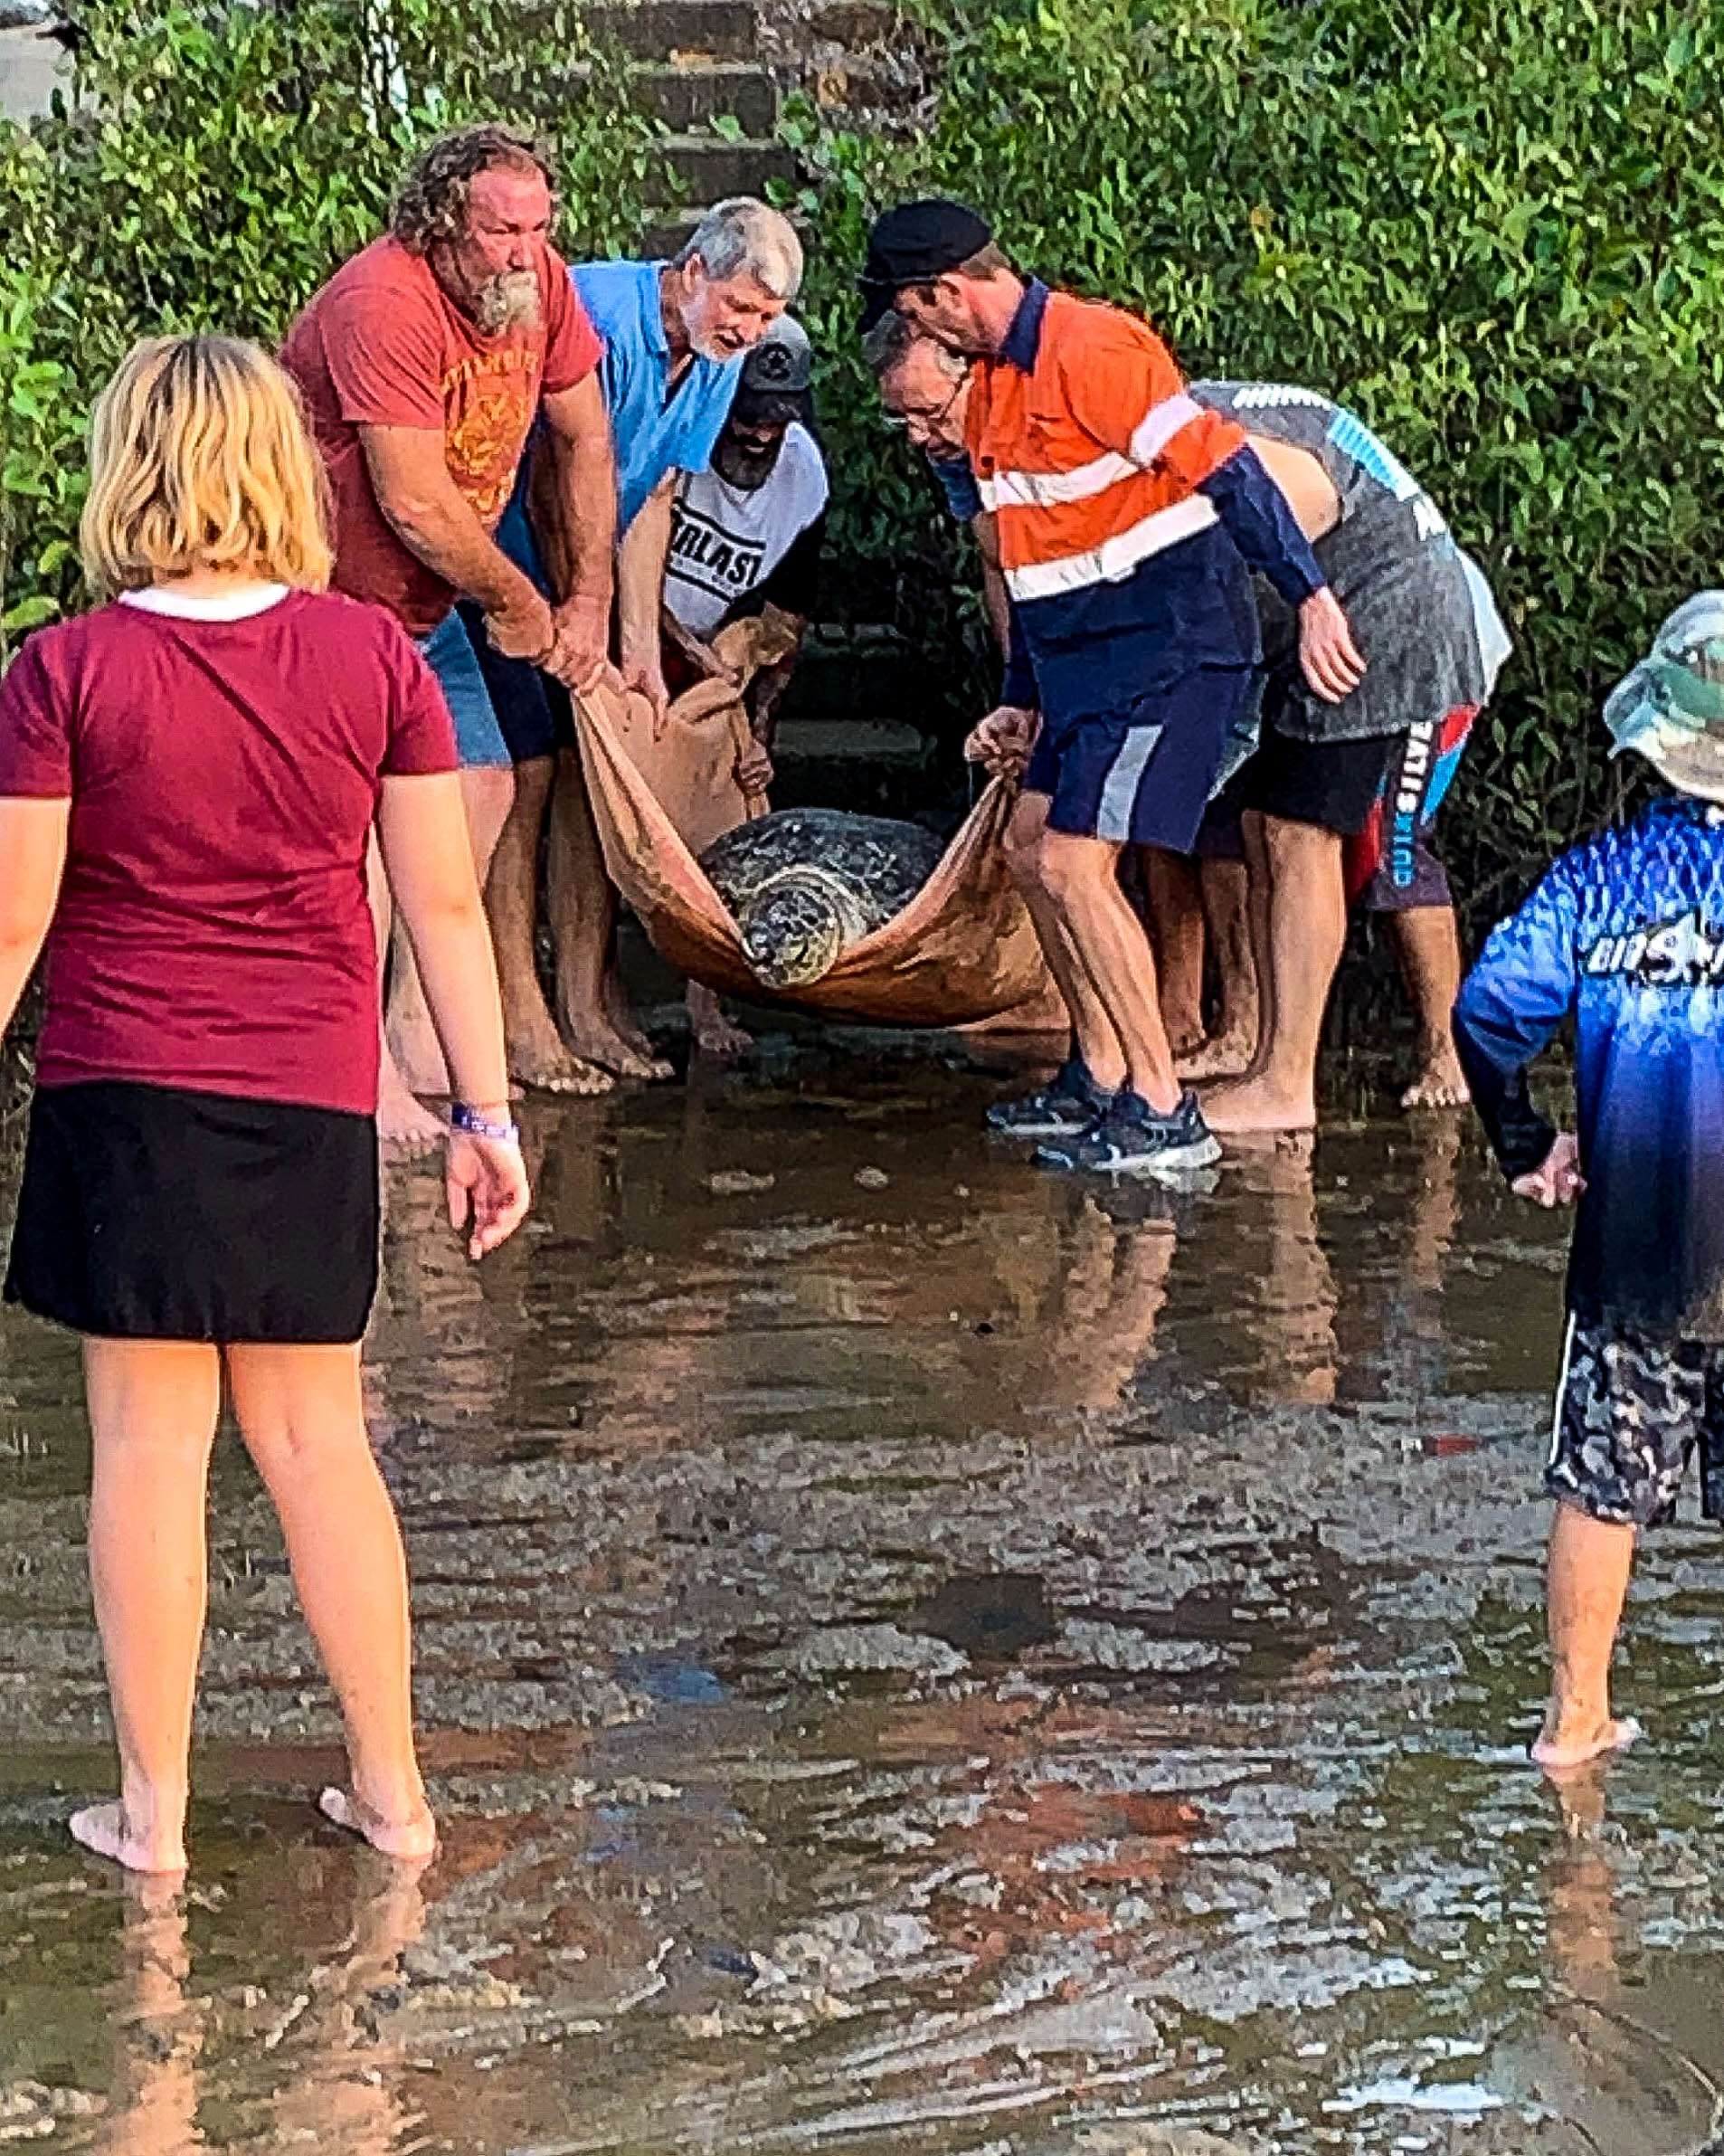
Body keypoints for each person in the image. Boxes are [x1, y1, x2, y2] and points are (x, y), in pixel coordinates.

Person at [0, 335, 531, 1875]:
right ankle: (395, 1792)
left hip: (126, 1091)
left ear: (131, 468)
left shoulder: (62, 669)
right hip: (307, 1094)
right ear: (283, 468)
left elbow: (15, 926)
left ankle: (151, 1815)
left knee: (146, 1449)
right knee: (318, 1441)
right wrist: (484, 1114)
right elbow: (442, 903)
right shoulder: (372, 657)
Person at [856, 226, 1361, 1175]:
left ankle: (1162, 1107)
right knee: (1027, 844)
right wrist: (1019, 699)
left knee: (1077, 864)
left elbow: (1232, 471)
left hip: (1167, 651)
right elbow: (1029, 571)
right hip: (1082, 661)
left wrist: (1311, 595)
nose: (918, 437)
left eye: (922, 412)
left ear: (947, 311)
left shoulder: (1090, 349)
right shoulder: (991, 398)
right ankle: (1096, 1068)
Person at [281, 123, 616, 1143]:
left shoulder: (540, 287)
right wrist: (522, 603)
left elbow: (585, 433)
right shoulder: (384, 300)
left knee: (481, 782)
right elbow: (415, 500)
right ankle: (362, 1068)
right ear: (438, 227)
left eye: (537, 228)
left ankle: (418, 1027)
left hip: (425, 606)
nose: (522, 252)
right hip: (333, 600)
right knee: (365, 835)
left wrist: (590, 597)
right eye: (498, 231)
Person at [1452, 593, 1724, 1772]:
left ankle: (1571, 1718)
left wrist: (1525, 1143)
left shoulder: (1599, 879)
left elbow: (1485, 1012)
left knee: (1600, 1487)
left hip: (1636, 1249)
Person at [482, 199, 804, 1086]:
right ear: (692, 274)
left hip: (585, 574)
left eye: (766, 319)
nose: (746, 330)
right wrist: (573, 620)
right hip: (503, 563)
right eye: (738, 308)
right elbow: (554, 483)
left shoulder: (713, 361)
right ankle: (521, 1010)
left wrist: (631, 652)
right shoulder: (596, 312)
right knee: (529, 774)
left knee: (597, 772)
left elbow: (652, 499)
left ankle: (585, 1002)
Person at [1187, 383, 1511, 1134]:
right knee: (1267, 820)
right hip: (1332, 635)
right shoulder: (1208, 409)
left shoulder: (1199, 430)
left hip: (1406, 639)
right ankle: (1263, 1053)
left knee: (1386, 848)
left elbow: (1309, 504)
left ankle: (1442, 1054)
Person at [661, 315, 829, 1054]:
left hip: (727, 664)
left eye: (777, 416)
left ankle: (707, 1005)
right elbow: (615, 553)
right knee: (605, 812)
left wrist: (761, 730)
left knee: (736, 817)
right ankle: (595, 989)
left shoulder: (805, 479)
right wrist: (671, 647)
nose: (761, 432)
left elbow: (784, 620)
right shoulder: (676, 442)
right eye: (747, 415)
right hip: (643, 633)